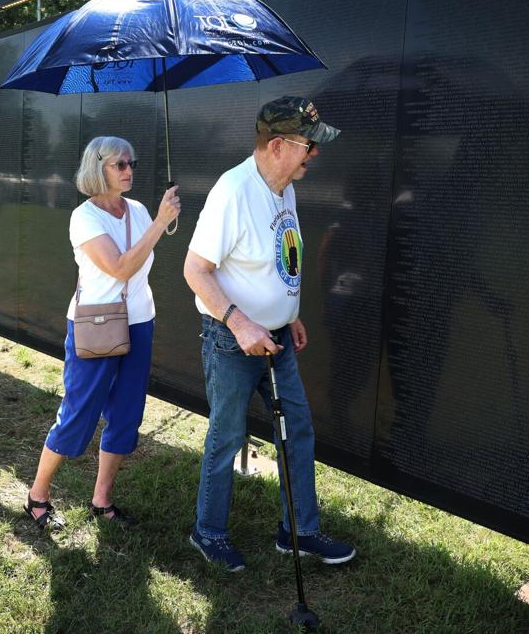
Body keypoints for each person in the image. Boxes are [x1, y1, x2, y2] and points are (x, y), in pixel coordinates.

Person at [182, 96, 356, 571]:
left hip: (276, 340)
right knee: (226, 436)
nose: (314, 154)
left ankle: (298, 531)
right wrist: (239, 322)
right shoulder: (232, 191)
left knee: (297, 432)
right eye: (308, 145)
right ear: (277, 145)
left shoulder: (285, 188)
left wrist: (290, 311)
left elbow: (281, 257)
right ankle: (208, 531)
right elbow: (195, 270)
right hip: (231, 341)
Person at [25, 136, 180, 531]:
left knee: (127, 414)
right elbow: (121, 268)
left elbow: (142, 263)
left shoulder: (140, 210)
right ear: (98, 168)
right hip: (94, 324)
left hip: (139, 321)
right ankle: (38, 494)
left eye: (131, 163)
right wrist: (161, 223)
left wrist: (158, 220)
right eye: (120, 165)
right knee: (79, 412)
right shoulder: (85, 217)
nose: (129, 171)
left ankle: (102, 499)